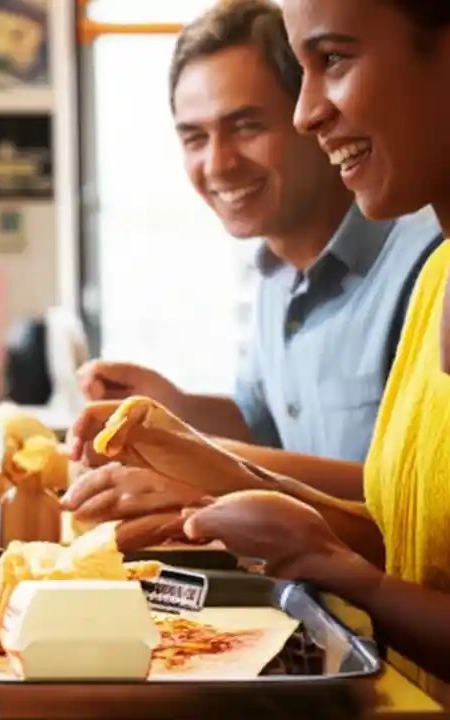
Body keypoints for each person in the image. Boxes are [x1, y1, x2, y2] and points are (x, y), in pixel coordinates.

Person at [71, 0, 450, 698]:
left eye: (333, 60)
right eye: (193, 135)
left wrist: (216, 470)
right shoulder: (409, 278)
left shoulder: (417, 255)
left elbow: (383, 521)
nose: (310, 111)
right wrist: (184, 427)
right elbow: (390, 517)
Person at [77, 0, 441, 466]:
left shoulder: (426, 263)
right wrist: (173, 407)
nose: (218, 164)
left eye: (247, 127)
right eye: (194, 138)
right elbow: (265, 426)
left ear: (313, 119)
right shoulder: (275, 274)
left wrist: (215, 467)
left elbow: (407, 499)